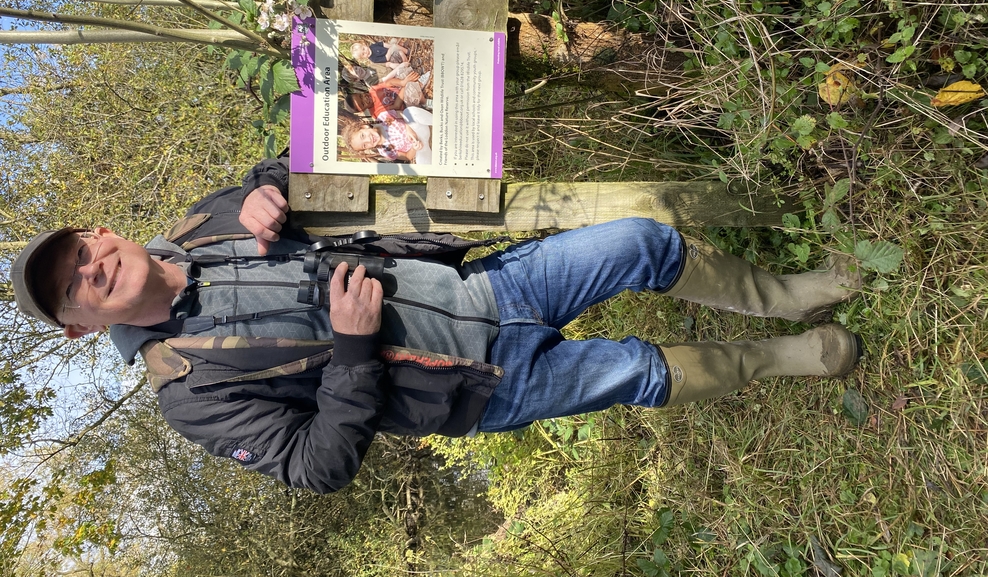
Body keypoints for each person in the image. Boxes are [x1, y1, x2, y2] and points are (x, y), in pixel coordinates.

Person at [11, 159, 862, 494]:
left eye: (82, 251)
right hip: (482, 386)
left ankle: (790, 294)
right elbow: (316, 465)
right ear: (81, 327)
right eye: (73, 290)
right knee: (638, 369)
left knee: (641, 240)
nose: (92, 269)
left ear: (100, 231)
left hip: (484, 285)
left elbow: (305, 170)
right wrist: (352, 348)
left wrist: (271, 184)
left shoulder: (210, 219)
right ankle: (789, 353)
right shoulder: (187, 392)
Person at [340, 108, 433, 164]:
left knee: (409, 112)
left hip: (419, 128)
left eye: (363, 136)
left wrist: (408, 128)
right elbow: (407, 156)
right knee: (422, 164)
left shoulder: (383, 118)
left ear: (364, 127)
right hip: (420, 147)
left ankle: (436, 121)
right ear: (367, 149)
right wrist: (414, 148)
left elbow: (402, 114)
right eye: (364, 145)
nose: (368, 140)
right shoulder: (385, 151)